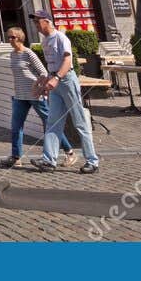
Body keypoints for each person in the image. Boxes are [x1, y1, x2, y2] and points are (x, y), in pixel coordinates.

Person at [32, 10, 100, 174]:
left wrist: (56, 78)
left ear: (47, 21)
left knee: (79, 122)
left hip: (67, 80)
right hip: (56, 82)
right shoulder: (45, 41)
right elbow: (52, 64)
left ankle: (92, 161)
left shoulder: (61, 38)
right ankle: (49, 160)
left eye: (37, 21)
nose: (35, 25)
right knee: (53, 121)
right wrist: (46, 81)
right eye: (34, 22)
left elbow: (67, 60)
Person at [2, 27, 73, 168]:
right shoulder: (12, 54)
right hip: (20, 95)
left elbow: (43, 72)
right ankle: (16, 157)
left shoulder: (29, 54)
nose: (10, 40)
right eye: (8, 37)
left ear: (20, 38)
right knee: (16, 126)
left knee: (51, 124)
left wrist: (38, 86)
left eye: (12, 37)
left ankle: (69, 152)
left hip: (35, 95)